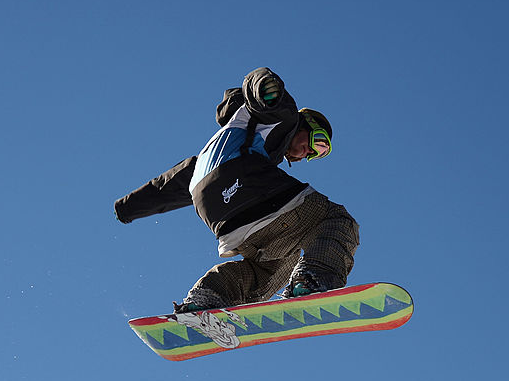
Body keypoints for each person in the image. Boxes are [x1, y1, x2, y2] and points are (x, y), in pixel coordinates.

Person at [114, 67, 359, 312]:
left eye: (319, 154)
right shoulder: (284, 117)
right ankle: (314, 280)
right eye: (317, 142)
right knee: (336, 220)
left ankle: (208, 298)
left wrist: (128, 209)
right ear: (306, 123)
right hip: (250, 186)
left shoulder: (224, 142)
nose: (310, 152)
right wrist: (267, 87)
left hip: (218, 211)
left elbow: (168, 186)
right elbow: (260, 86)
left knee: (272, 266)